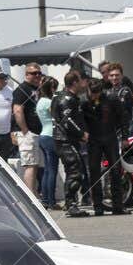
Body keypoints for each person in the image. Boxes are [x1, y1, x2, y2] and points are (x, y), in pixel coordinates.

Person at [85, 79, 127, 216]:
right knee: (94, 171)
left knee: (115, 170)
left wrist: (125, 137)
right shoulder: (84, 101)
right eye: (93, 93)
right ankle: (98, 206)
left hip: (110, 137)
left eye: (97, 93)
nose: (95, 96)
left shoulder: (111, 98)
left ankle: (118, 205)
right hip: (93, 139)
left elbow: (123, 117)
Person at [52, 70, 90, 216]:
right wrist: (82, 134)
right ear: (75, 82)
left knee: (73, 171)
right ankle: (71, 204)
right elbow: (67, 120)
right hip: (65, 140)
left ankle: (71, 203)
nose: (83, 83)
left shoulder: (69, 97)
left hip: (67, 140)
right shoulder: (66, 99)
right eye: (81, 80)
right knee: (76, 171)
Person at [12, 63, 45, 193]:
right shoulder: (22, 89)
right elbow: (18, 110)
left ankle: (37, 193)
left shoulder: (39, 89)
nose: (37, 75)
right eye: (33, 73)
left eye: (39, 73)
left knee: (37, 165)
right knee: (30, 165)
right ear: (26, 75)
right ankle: (31, 196)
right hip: (28, 133)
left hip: (39, 132)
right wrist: (25, 130)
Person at [35, 75, 59, 206]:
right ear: (51, 88)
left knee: (47, 169)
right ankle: (51, 201)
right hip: (51, 135)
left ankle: (45, 200)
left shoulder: (40, 101)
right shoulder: (49, 102)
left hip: (43, 135)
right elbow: (56, 116)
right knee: (52, 169)